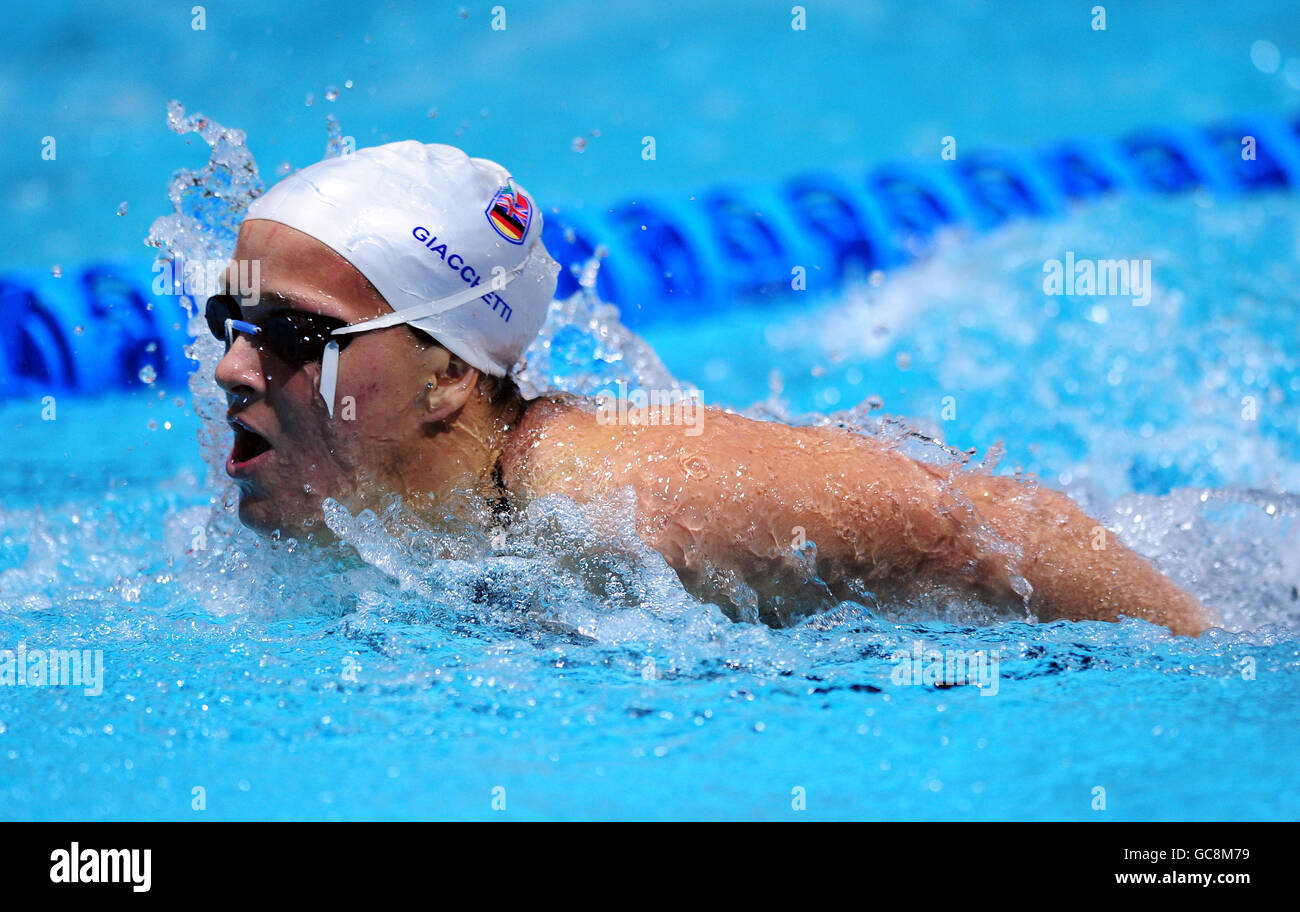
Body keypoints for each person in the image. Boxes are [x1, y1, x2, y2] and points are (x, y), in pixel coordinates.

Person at [210, 141, 1214, 636]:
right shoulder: (408, 525)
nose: (232, 369)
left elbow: (991, 529)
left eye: (293, 333)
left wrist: (1204, 664)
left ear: (444, 375)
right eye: (234, 322)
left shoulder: (633, 500)